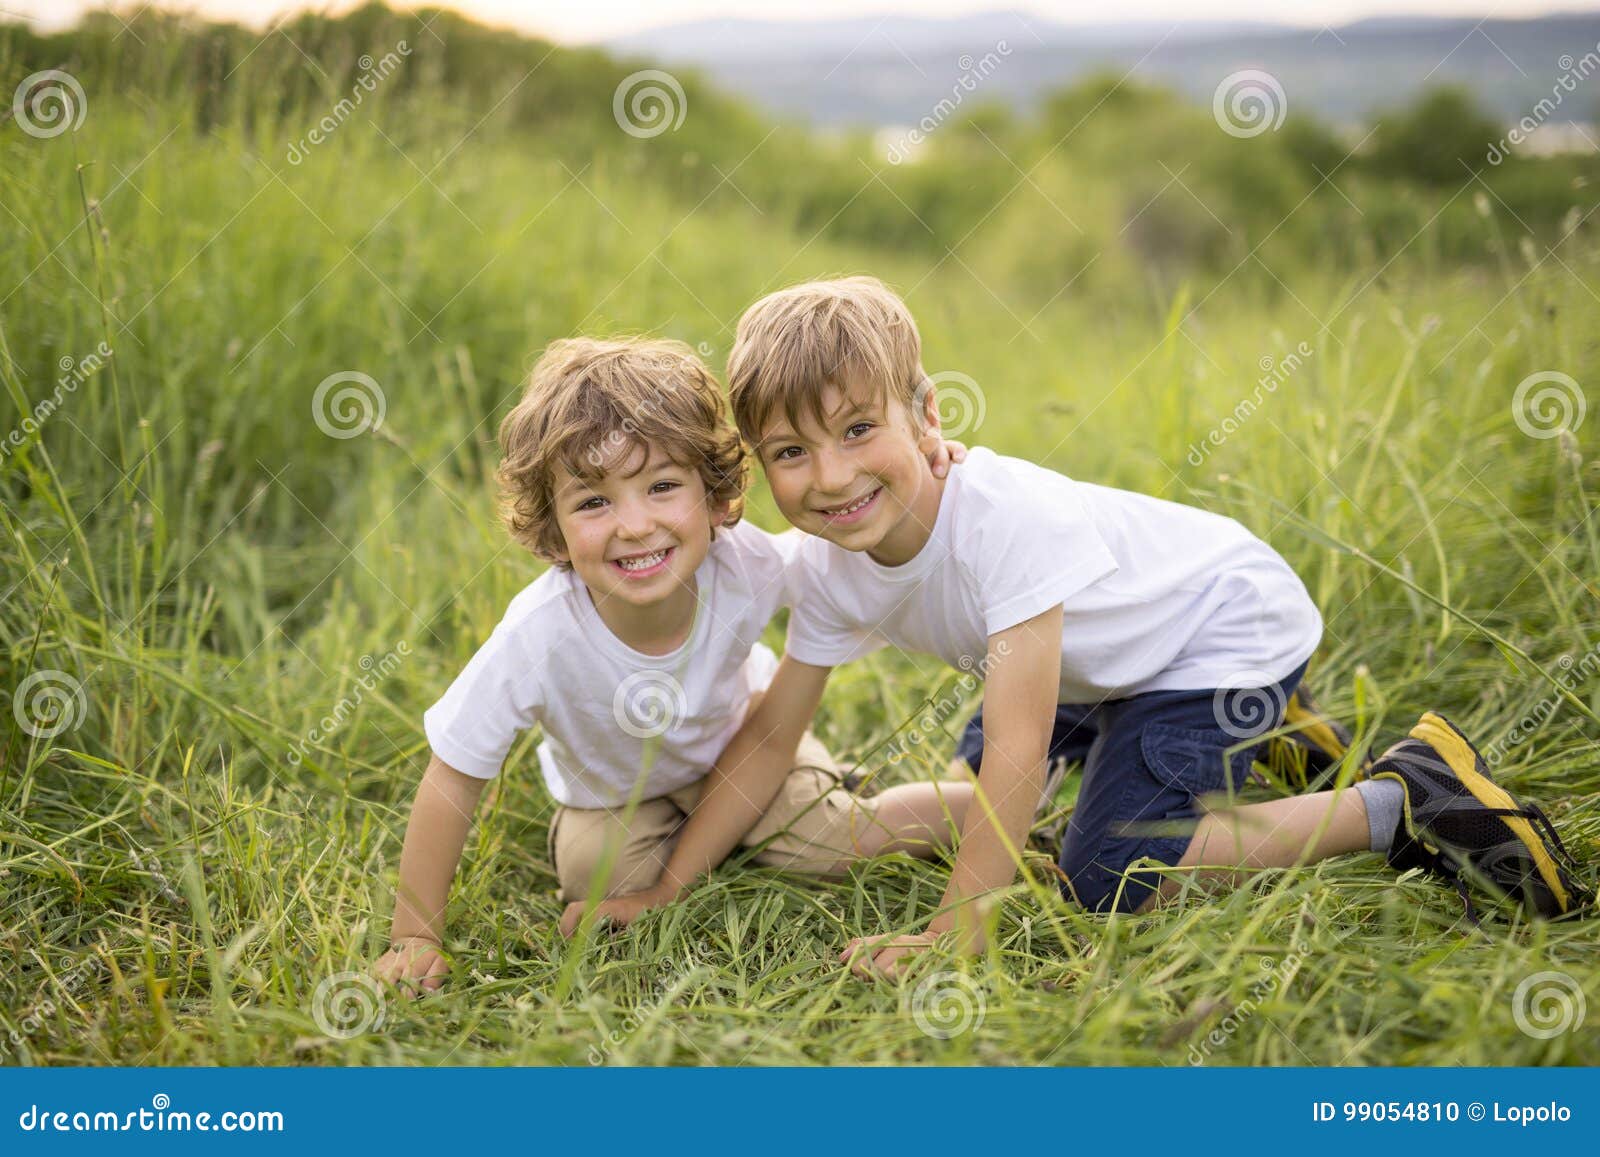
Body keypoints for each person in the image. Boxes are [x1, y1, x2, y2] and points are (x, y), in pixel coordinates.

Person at [561, 278, 1589, 979]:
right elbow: (773, 736)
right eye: (788, 451)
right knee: (983, 794)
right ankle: (1263, 738)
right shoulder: (829, 566)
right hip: (1108, 671)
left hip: (1216, 633)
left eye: (858, 429)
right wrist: (664, 886)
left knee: (1106, 873)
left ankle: (1404, 796)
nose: (828, 476)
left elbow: (1020, 737)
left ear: (925, 415)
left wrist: (962, 919)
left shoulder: (1002, 523)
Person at [373, 335, 972, 992]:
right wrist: (414, 934)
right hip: (619, 791)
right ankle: (726, 834)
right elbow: (453, 775)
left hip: (748, 749)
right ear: (554, 528)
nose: (635, 525)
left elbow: (852, 550)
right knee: (598, 877)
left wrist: (926, 478)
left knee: (829, 842)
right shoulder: (539, 634)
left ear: (715, 498)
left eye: (662, 486)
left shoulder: (746, 565)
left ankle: (977, 806)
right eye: (594, 500)